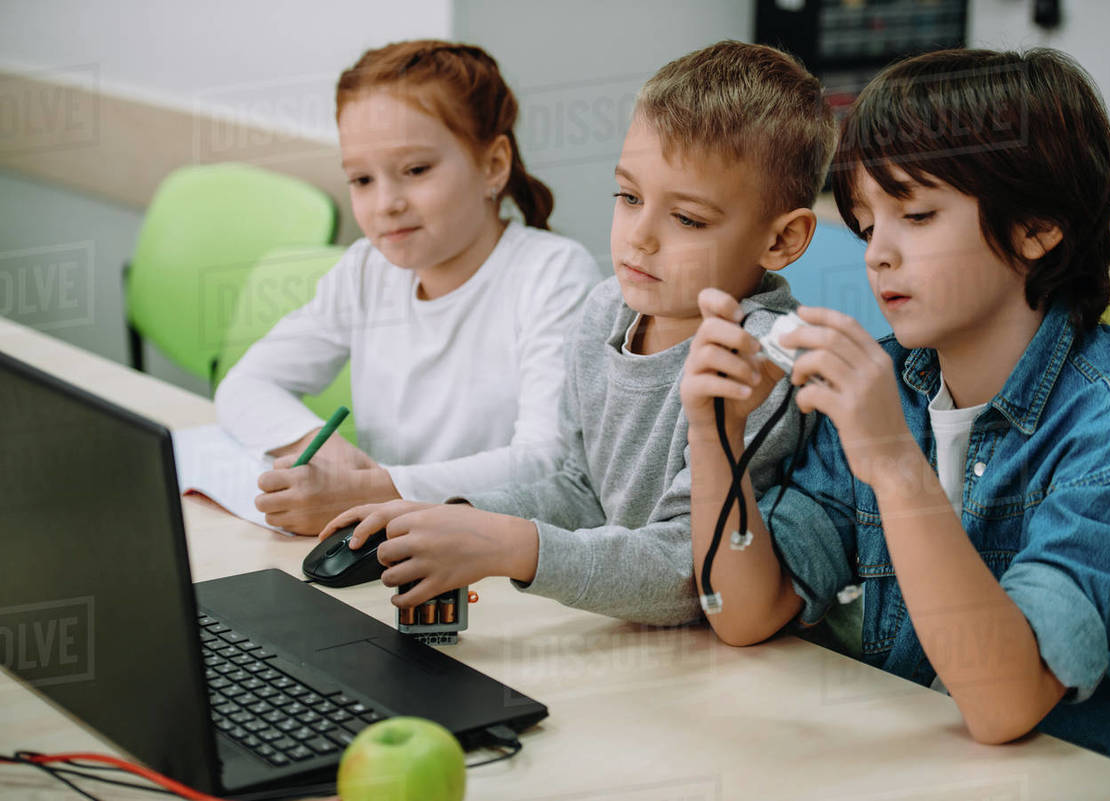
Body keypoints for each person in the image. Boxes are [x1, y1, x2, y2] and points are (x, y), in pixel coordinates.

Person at [682, 47, 1110, 788]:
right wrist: (715, 435)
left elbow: (1003, 700)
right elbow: (746, 608)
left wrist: (894, 463)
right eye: (867, 224)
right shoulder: (894, 379)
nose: (879, 254)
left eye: (917, 216)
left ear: (1037, 228)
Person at [317, 40, 837, 626]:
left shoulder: (762, 362)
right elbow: (583, 489)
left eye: (687, 218)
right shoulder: (605, 310)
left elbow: (694, 572)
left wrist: (513, 548)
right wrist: (453, 516)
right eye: (629, 196)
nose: (639, 236)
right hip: (635, 638)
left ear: (781, 241)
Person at [214, 41, 601, 535]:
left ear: (493, 165)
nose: (386, 204)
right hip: (390, 550)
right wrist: (328, 454)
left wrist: (376, 489)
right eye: (361, 179)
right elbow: (244, 386)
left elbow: (546, 464)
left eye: (416, 170)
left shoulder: (554, 275)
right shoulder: (365, 270)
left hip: (501, 564)